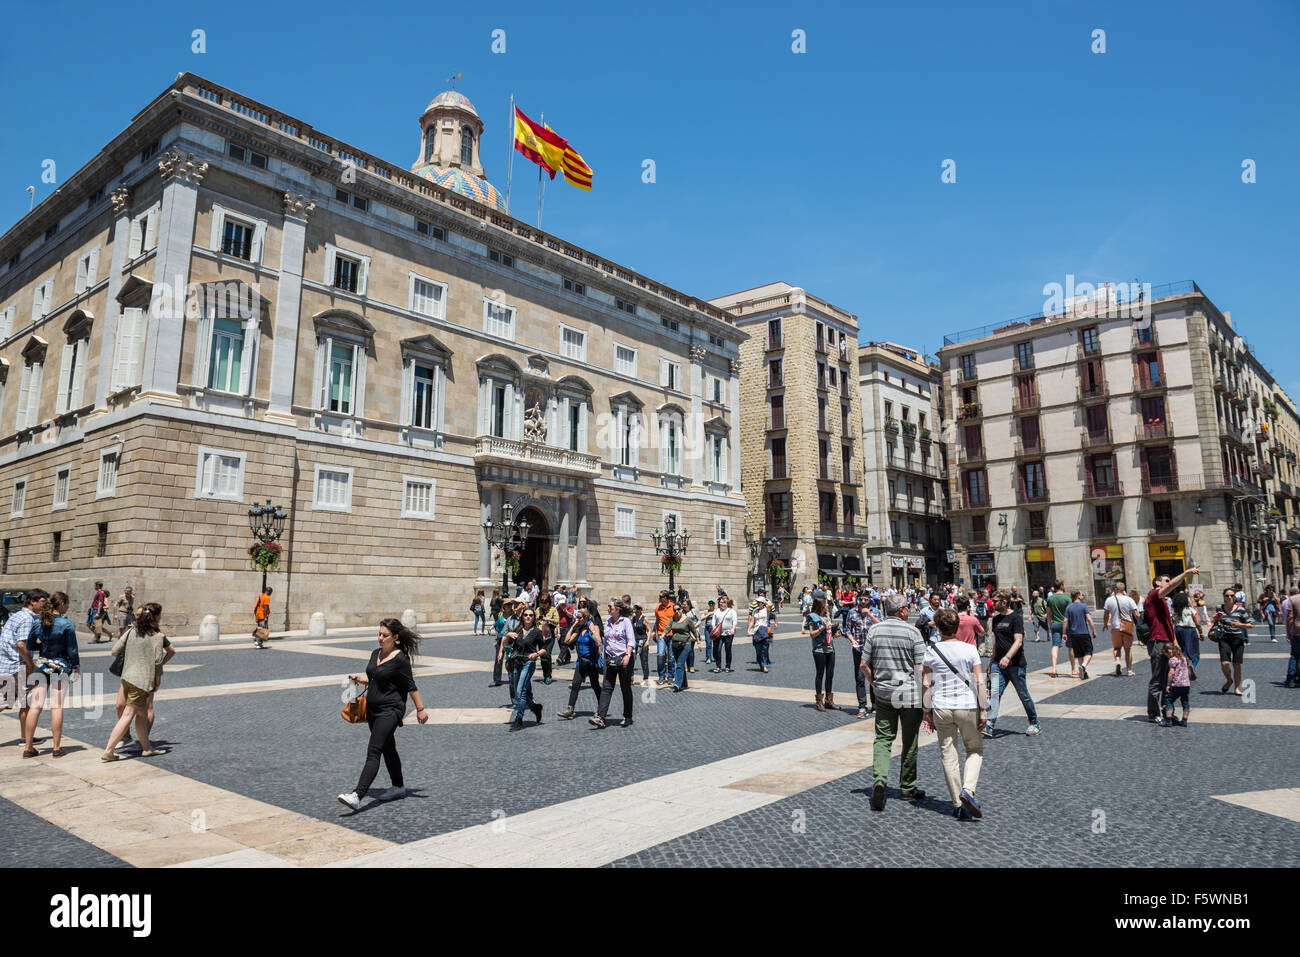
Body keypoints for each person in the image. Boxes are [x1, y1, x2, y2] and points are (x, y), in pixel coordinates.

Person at [337, 619, 428, 808]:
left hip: (391, 710)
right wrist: (360, 679)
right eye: (379, 634)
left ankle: (357, 795)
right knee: (388, 748)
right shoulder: (374, 654)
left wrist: (420, 710)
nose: (380, 638)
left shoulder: (400, 659)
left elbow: (410, 686)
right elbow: (374, 677)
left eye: (385, 635)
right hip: (372, 710)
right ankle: (398, 787)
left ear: (395, 637)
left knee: (374, 751)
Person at [860, 594, 927, 810]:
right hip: (908, 694)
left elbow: (863, 664)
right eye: (907, 608)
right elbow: (920, 669)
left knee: (882, 739)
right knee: (910, 741)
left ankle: (880, 779)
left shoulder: (874, 630)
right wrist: (926, 699)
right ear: (903, 611)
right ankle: (908, 788)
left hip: (884, 693)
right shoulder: (913, 633)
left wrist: (875, 684)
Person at [922, 608, 986, 821]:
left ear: (938, 628)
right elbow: (979, 681)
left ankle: (958, 805)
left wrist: (926, 712)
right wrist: (984, 709)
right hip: (967, 706)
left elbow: (924, 683)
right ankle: (968, 789)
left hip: (941, 707)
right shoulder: (970, 650)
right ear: (957, 626)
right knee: (974, 749)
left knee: (948, 755)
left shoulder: (931, 650)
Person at [102, 606, 168, 761]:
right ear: (155, 618)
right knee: (128, 714)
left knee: (141, 714)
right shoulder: (157, 636)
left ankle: (147, 748)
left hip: (127, 677)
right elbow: (158, 662)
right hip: (142, 680)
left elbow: (114, 651)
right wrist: (157, 681)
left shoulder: (132, 631)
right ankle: (109, 750)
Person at [23, 592, 79, 758]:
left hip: (42, 666)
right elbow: (72, 649)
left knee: (35, 706)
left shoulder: (38, 622)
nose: (68, 607)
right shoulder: (67, 624)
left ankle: (28, 747)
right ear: (61, 603)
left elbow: (30, 644)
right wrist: (76, 666)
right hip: (60, 666)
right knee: (57, 706)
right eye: (67, 603)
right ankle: (56, 747)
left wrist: (43, 648)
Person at [982, 590, 1042, 737]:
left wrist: (1007, 657)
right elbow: (997, 643)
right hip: (998, 664)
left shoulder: (1015, 618)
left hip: (1015, 664)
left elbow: (1018, 641)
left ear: (1004, 602)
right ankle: (990, 724)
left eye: (995, 601)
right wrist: (991, 663)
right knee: (994, 694)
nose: (992, 603)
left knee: (1023, 695)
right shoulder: (995, 619)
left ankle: (1034, 723)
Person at [1143, 567, 1198, 721]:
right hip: (1158, 642)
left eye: (1169, 581)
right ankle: (1153, 714)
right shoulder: (1153, 596)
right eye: (1166, 581)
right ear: (1157, 583)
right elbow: (1173, 585)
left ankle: (1167, 711)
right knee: (1157, 678)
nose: (1169, 584)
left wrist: (1176, 645)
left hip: (1168, 642)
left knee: (1171, 677)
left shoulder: (1163, 601)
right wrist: (1186, 573)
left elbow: (1168, 626)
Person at [591, 601, 635, 728]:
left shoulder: (626, 621)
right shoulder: (608, 621)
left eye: (610, 606)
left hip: (623, 659)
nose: (608, 608)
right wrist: (604, 655)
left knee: (625, 688)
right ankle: (600, 716)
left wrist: (627, 655)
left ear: (618, 609)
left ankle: (628, 716)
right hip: (609, 659)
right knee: (606, 687)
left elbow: (631, 640)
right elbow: (607, 640)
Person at [556, 606, 604, 719]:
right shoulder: (579, 629)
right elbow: (567, 641)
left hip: (591, 662)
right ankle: (570, 710)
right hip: (580, 662)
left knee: (595, 685)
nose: (577, 619)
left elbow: (598, 641)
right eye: (576, 617)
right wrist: (573, 625)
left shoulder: (594, 627)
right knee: (575, 685)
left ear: (586, 617)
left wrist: (591, 628)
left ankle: (602, 709)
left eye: (579, 617)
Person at [505, 607, 546, 731]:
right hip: (516, 662)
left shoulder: (537, 632)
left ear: (534, 618)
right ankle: (535, 707)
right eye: (526, 615)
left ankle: (519, 720)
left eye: (531, 615)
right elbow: (506, 644)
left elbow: (544, 649)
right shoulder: (518, 630)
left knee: (520, 692)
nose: (528, 617)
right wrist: (507, 635)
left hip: (528, 663)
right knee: (520, 691)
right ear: (522, 617)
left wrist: (537, 654)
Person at [844, 596, 879, 718]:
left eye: (866, 599)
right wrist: (852, 640)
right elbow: (847, 629)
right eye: (861, 599)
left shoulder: (876, 611)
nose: (863, 602)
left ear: (869, 600)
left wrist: (869, 614)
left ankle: (875, 704)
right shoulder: (852, 612)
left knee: (874, 677)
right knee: (860, 678)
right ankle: (862, 707)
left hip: (874, 650)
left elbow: (881, 626)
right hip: (858, 650)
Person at [1216, 588, 1252, 696]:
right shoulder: (1219, 608)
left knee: (1236, 664)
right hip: (1224, 638)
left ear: (1235, 597)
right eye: (1227, 596)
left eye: (1232, 595)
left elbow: (1250, 625)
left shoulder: (1241, 610)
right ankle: (1229, 680)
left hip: (1237, 638)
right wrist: (1215, 619)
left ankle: (1236, 688)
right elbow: (1217, 621)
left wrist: (1240, 625)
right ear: (1224, 597)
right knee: (1225, 663)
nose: (1230, 598)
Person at [804, 596, 838, 711]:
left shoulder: (827, 616)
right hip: (819, 650)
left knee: (830, 675)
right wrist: (822, 628)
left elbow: (829, 631)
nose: (828, 605)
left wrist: (835, 633)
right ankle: (819, 702)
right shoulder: (812, 617)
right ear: (822, 605)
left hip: (830, 649)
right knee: (820, 674)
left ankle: (829, 701)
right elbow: (812, 634)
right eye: (827, 603)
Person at [1103, 581, 1138, 677]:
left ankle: (1118, 661)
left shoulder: (1109, 600)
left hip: (1115, 627)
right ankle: (1129, 670)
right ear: (1123, 589)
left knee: (1117, 648)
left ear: (1115, 589)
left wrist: (1105, 624)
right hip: (1127, 627)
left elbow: (1106, 614)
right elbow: (1136, 614)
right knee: (1128, 649)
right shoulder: (1129, 600)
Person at [1064, 590, 1097, 680]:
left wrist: (1064, 633)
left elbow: (1065, 621)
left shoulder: (1069, 607)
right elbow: (1089, 619)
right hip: (1084, 633)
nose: (1083, 596)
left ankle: (1083, 672)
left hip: (1073, 634)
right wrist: (1094, 630)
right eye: (1082, 594)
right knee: (1089, 652)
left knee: (1079, 654)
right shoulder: (1084, 606)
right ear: (1078, 596)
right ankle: (1083, 666)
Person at [1162, 641, 1195, 727]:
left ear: (1170, 651)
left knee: (1169, 700)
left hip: (1176, 684)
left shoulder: (1172, 660)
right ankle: (1184, 720)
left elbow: (1171, 673)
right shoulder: (1183, 658)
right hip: (1186, 685)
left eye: (1166, 654)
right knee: (1185, 702)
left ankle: (1168, 720)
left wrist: (1168, 685)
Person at [1045, 581, 1074, 677]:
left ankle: (1054, 668)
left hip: (1055, 624)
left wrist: (1050, 625)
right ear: (1061, 586)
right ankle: (1073, 669)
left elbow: (1048, 614)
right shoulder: (1067, 598)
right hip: (1067, 624)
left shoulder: (1050, 599)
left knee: (1055, 646)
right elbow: (1070, 613)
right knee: (1070, 647)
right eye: (1064, 585)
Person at [493, 599, 521, 691]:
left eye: (510, 604)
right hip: (501, 637)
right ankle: (497, 679)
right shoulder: (500, 615)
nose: (509, 606)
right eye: (507, 605)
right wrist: (496, 639)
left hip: (510, 640)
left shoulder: (514, 615)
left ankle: (513, 677)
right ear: (503, 606)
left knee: (510, 659)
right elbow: (497, 627)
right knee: (498, 658)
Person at [1172, 589, 1203, 669]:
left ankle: (1183, 667)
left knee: (1181, 649)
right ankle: (1193, 665)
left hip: (1178, 630)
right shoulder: (1190, 610)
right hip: (1190, 630)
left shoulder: (1174, 611)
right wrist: (1201, 633)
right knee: (1194, 650)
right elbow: (1198, 623)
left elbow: (1171, 622)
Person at [668, 603, 695, 692]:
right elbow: (668, 628)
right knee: (681, 664)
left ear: (681, 609)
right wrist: (663, 634)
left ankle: (677, 684)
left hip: (686, 644)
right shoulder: (673, 619)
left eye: (678, 609)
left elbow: (694, 631)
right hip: (675, 644)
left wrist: (698, 642)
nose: (677, 611)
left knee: (679, 664)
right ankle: (684, 684)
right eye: (675, 610)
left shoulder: (687, 620)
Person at [710, 595, 738, 674]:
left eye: (724, 602)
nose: (722, 604)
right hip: (719, 634)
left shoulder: (731, 611)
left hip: (728, 634)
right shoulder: (717, 611)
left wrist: (733, 629)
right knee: (718, 650)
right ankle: (718, 666)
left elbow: (735, 621)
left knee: (728, 650)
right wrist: (714, 627)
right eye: (721, 602)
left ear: (727, 603)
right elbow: (713, 620)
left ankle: (727, 666)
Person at [653, 591, 675, 686]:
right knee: (660, 655)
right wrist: (656, 633)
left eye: (661, 596)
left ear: (666, 598)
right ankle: (661, 676)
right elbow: (657, 621)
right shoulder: (658, 608)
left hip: (671, 635)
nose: (659, 598)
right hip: (661, 634)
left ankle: (670, 676)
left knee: (671, 657)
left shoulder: (673, 606)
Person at [749, 595, 774, 675]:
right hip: (756, 631)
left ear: (763, 603)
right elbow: (752, 621)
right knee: (758, 651)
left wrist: (765, 601)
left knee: (764, 650)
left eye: (759, 602)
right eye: (757, 602)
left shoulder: (767, 609)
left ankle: (765, 666)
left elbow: (770, 604)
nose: (757, 603)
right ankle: (761, 664)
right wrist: (748, 629)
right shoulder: (755, 611)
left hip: (764, 631)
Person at [631, 603, 652, 687]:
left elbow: (649, 630)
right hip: (634, 641)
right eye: (635, 609)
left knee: (644, 661)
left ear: (640, 610)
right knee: (631, 660)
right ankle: (631, 678)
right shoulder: (632, 619)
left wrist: (647, 641)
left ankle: (646, 679)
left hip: (642, 641)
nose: (635, 611)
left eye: (637, 609)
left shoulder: (644, 619)